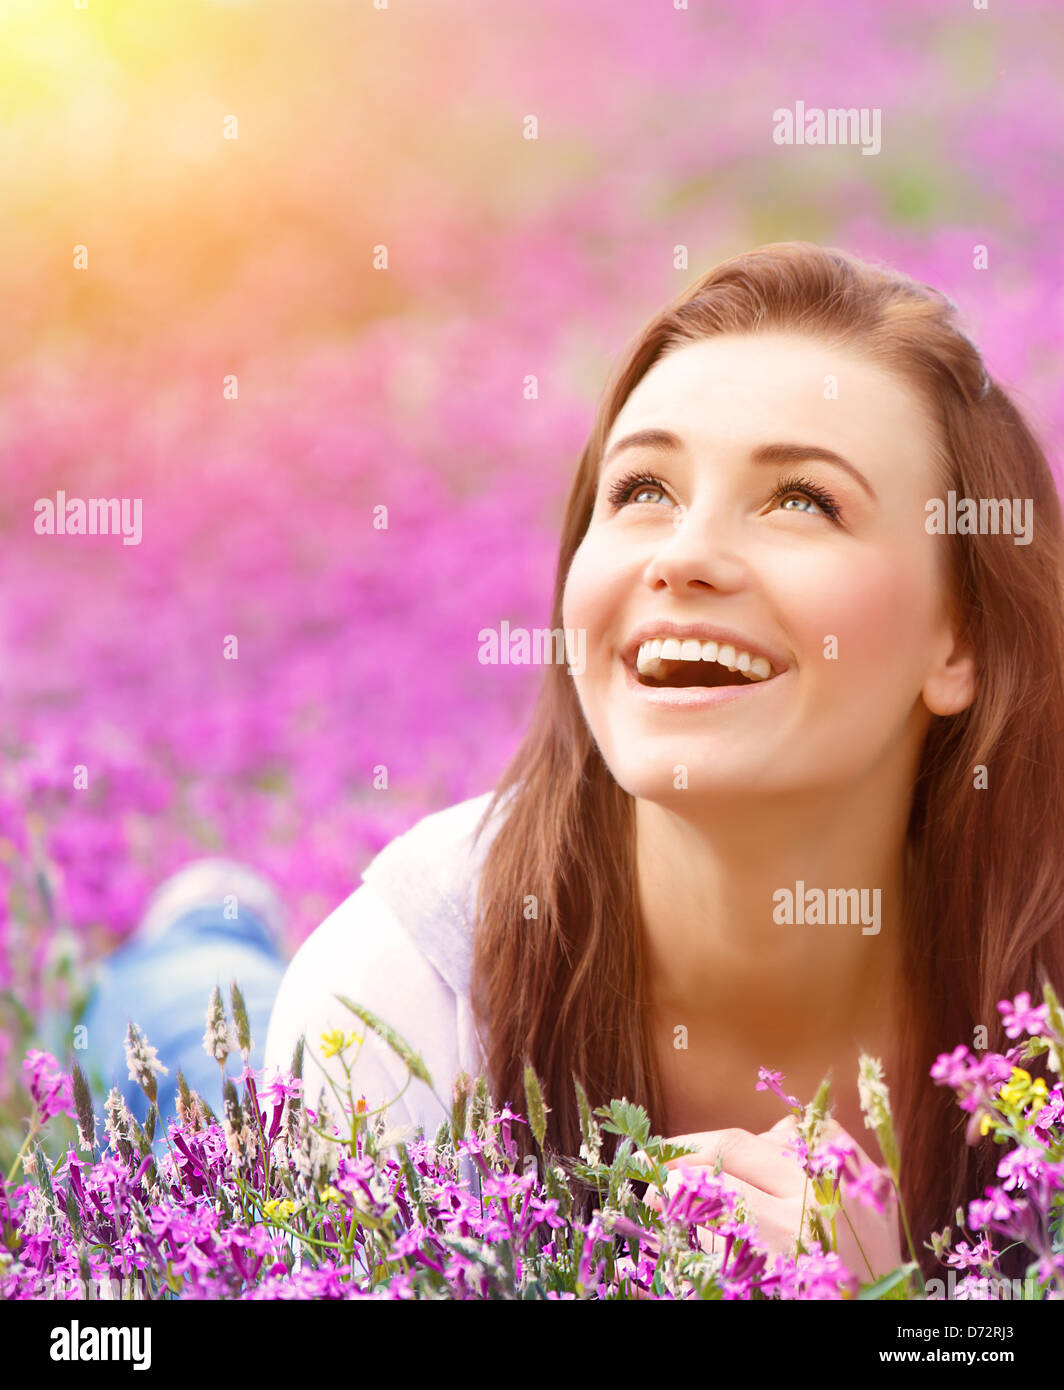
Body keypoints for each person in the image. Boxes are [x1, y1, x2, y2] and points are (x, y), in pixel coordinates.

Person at [259, 241, 1064, 1284]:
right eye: (640, 487)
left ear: (957, 640)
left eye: (801, 501)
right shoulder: (399, 999)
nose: (681, 554)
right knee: (187, 1011)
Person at [77, 859, 289, 1135]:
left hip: (184, 1154)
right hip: (297, 1134)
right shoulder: (288, 976)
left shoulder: (115, 977)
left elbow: (91, 1110)